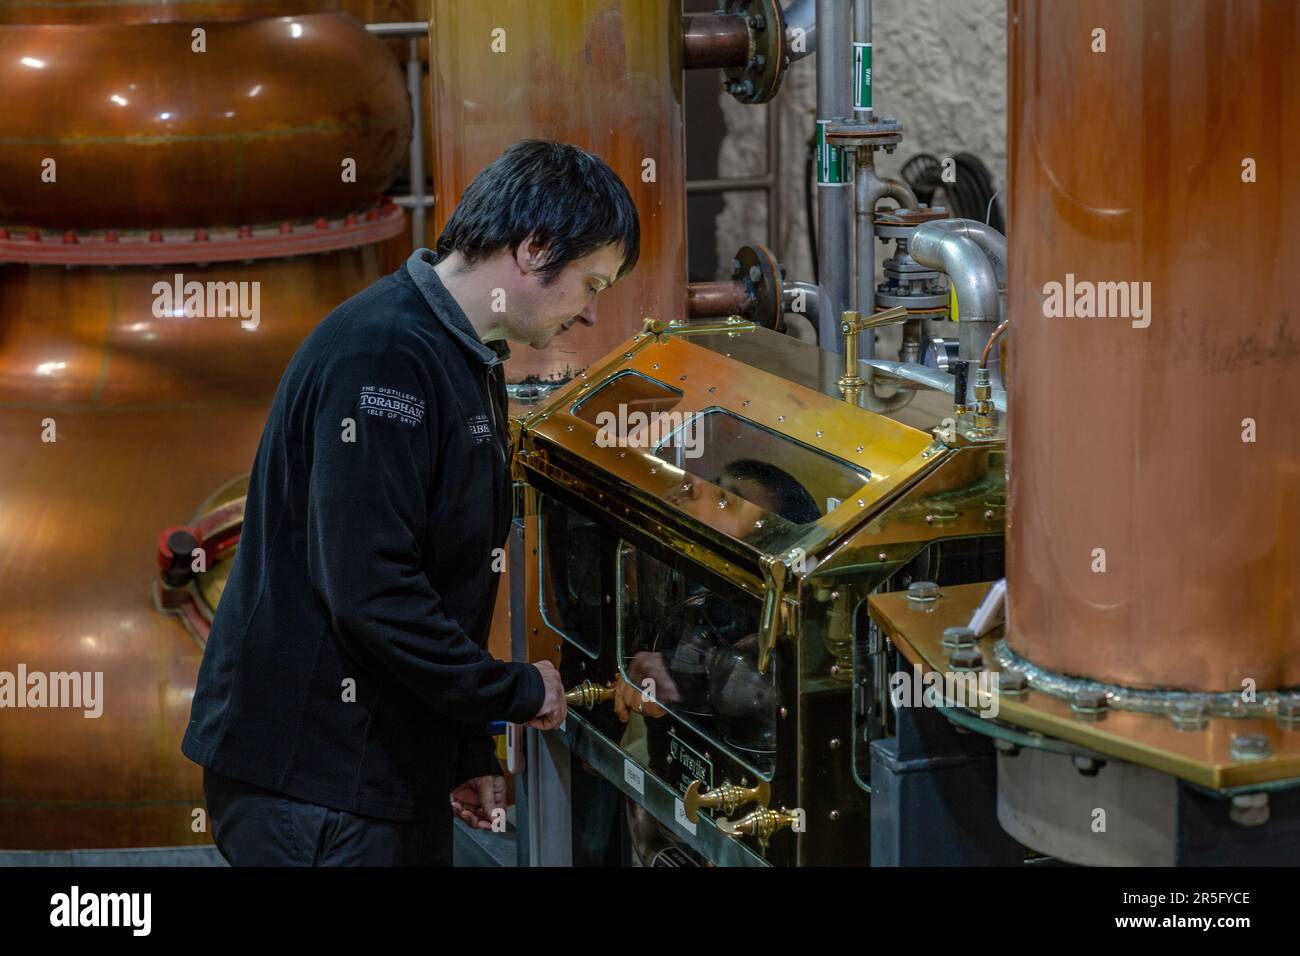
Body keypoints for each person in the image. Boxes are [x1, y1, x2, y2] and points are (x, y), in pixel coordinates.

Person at [181, 140, 641, 865]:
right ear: (535, 247)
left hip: (379, 769)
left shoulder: (459, 350)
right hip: (317, 785)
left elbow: (437, 579)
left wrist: (462, 751)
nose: (587, 313)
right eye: (591, 284)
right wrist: (511, 691)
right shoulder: (385, 355)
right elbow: (373, 589)